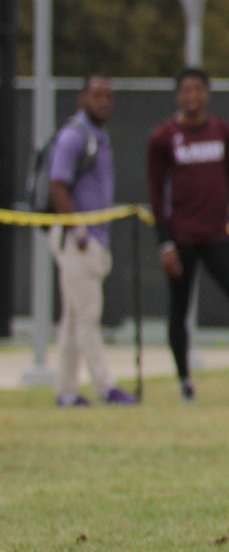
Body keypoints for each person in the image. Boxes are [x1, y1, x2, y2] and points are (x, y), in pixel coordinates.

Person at [146, 67, 229, 403]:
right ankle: (185, 384)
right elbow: (156, 192)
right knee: (179, 307)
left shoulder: (222, 132)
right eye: (186, 90)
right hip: (182, 236)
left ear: (207, 94)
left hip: (217, 234)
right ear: (178, 95)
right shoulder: (163, 137)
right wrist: (164, 241)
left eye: (198, 90)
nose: (192, 97)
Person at [45, 74, 136, 407]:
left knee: (72, 320)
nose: (103, 102)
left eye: (108, 96)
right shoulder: (74, 136)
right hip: (77, 239)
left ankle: (66, 391)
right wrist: (78, 231)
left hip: (94, 237)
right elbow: (58, 185)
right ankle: (105, 385)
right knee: (88, 316)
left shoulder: (99, 136)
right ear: (82, 97)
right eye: (97, 95)